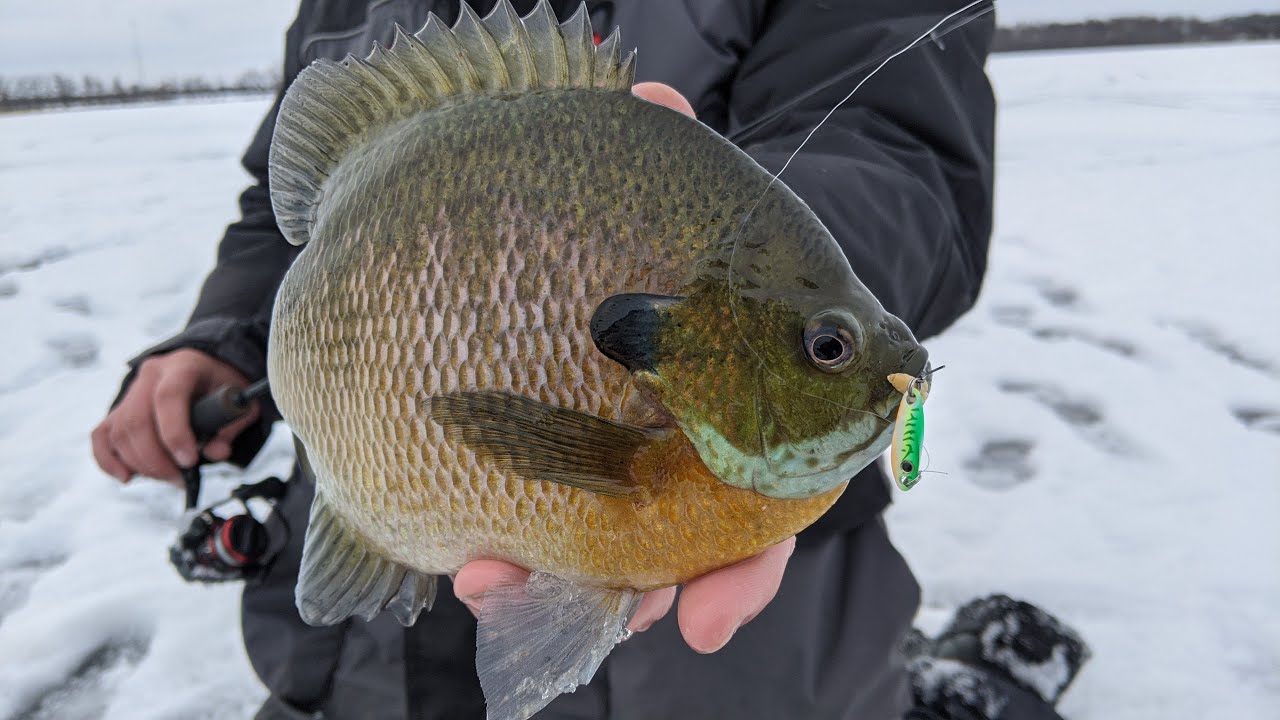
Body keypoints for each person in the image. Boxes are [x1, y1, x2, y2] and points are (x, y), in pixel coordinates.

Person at [92, 1, 1087, 718]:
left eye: (824, 351)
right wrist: (219, 340)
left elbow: (905, 156)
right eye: (827, 351)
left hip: (731, 672)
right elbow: (291, 219)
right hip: (364, 636)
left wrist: (734, 248)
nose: (845, 367)